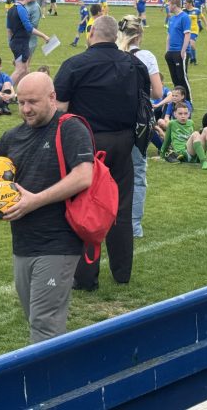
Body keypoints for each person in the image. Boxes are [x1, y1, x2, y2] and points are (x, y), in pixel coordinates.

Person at [0, 72, 93, 343]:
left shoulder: (70, 128)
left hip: (58, 243)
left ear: (52, 98)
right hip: (23, 243)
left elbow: (84, 175)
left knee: (44, 325)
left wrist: (34, 200)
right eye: (21, 102)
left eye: (32, 102)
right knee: (35, 319)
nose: (25, 109)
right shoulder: (14, 135)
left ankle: (51, 385)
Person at [54, 15, 149, 291]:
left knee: (87, 205)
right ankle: (122, 271)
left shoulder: (75, 64)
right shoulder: (134, 64)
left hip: (89, 142)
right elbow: (145, 101)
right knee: (121, 205)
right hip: (124, 141)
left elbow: (58, 108)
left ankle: (85, 276)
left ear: (92, 32)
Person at [116, 15, 163, 238]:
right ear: (140, 35)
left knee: (111, 171)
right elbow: (158, 92)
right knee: (137, 173)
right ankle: (133, 225)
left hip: (112, 119)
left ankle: (110, 218)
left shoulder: (113, 53)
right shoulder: (146, 56)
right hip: (137, 122)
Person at [7, 0, 50, 85]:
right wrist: (44, 36)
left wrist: (10, 42)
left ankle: (22, 93)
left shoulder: (11, 9)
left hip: (16, 42)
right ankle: (5, 91)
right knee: (20, 69)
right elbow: (30, 28)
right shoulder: (22, 9)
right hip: (22, 43)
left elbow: (8, 29)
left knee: (25, 69)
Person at [160, 102, 207, 169]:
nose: (183, 116)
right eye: (180, 113)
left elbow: (195, 140)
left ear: (189, 114)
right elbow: (167, 141)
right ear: (175, 114)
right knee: (195, 134)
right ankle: (203, 161)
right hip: (182, 154)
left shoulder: (191, 122)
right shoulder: (172, 123)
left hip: (194, 152)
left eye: (185, 113)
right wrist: (162, 155)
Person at [164, 0, 192, 102]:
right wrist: (167, 51)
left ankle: (188, 102)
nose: (168, 7)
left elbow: (187, 35)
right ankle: (178, 101)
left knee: (182, 78)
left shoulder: (184, 17)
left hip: (179, 52)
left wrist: (183, 50)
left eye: (169, 5)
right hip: (171, 53)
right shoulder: (171, 18)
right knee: (175, 79)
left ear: (174, 5)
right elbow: (169, 35)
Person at [184, 0, 207, 66]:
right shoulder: (183, 11)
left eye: (186, 3)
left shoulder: (196, 10)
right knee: (186, 45)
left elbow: (203, 18)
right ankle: (191, 58)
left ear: (190, 3)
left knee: (192, 44)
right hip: (186, 30)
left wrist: (206, 25)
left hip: (194, 30)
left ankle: (194, 59)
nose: (184, 4)